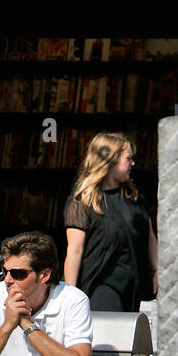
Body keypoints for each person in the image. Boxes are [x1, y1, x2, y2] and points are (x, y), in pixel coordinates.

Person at [63, 132, 157, 312]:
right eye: (128, 159)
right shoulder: (84, 201)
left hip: (136, 287)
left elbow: (150, 238)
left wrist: (157, 271)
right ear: (111, 161)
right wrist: (70, 296)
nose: (133, 164)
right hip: (102, 287)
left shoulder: (134, 197)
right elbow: (74, 251)